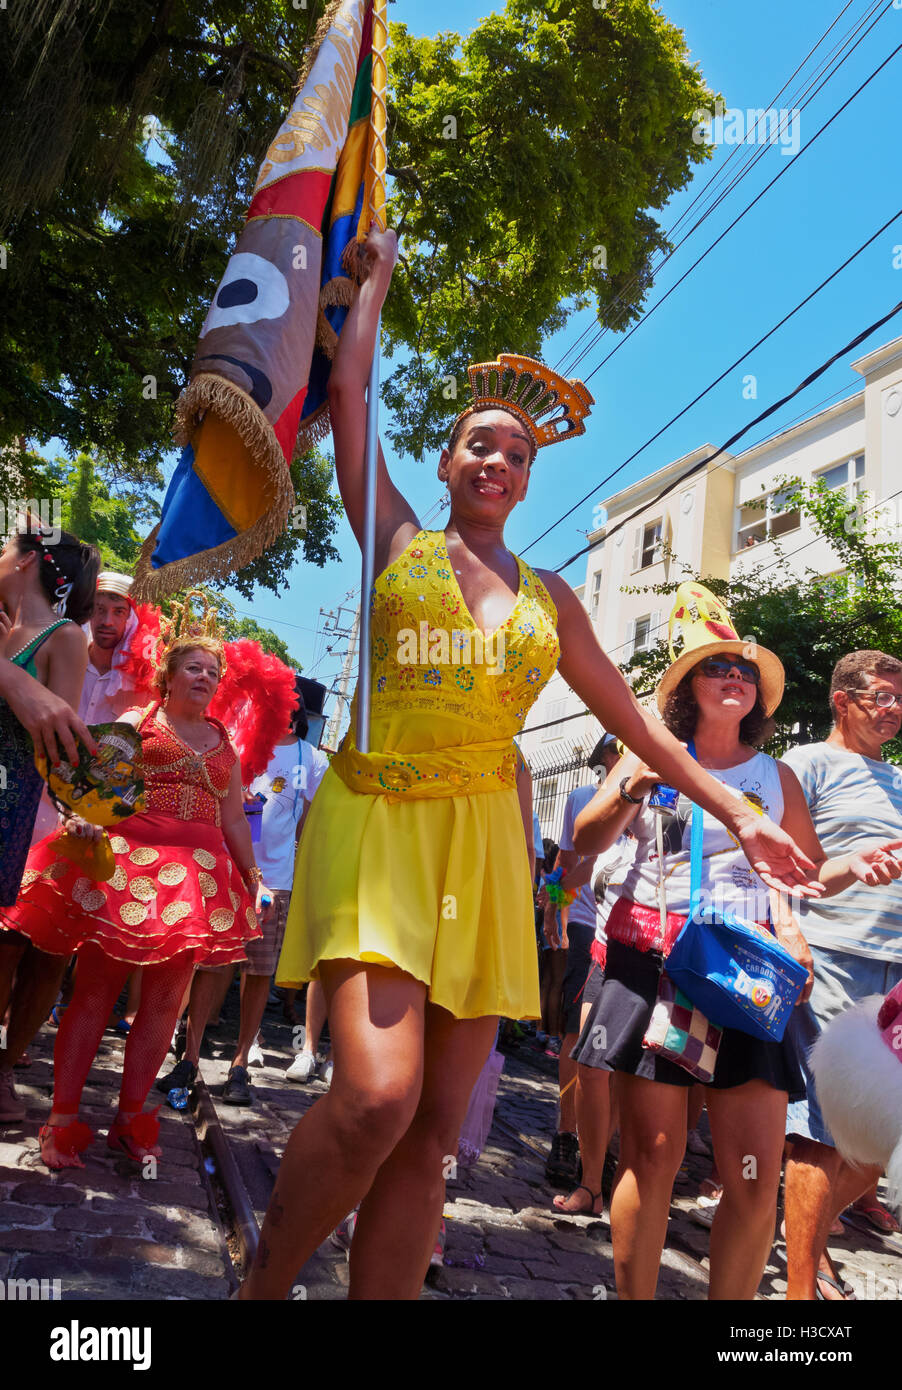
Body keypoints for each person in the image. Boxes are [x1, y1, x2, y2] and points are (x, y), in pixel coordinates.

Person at [238, 226, 833, 1304]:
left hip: (481, 855)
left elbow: (645, 733)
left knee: (429, 1141)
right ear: (447, 460)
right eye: (477, 442)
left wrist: (738, 816)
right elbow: (356, 391)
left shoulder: (554, 598)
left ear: (526, 478)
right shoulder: (397, 539)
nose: (494, 460)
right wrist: (366, 288)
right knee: (376, 1095)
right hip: (377, 827)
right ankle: (262, 1285)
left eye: (514, 451)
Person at [571, 584, 902, 1300]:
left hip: (745, 976)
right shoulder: (647, 752)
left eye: (747, 671)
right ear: (689, 685)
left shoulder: (773, 776)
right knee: (651, 1162)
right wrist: (636, 785)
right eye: (719, 666)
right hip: (654, 965)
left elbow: (809, 872)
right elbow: (585, 839)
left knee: (752, 1174)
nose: (737, 678)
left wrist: (856, 866)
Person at [0, 629, 270, 1166]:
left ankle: (129, 1121)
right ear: (169, 674)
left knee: (166, 1006)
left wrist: (254, 876)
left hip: (197, 884)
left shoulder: (224, 742)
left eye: (212, 672)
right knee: (96, 994)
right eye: (193, 667)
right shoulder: (138, 722)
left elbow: (235, 817)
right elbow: (88, 780)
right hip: (129, 874)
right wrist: (84, 820)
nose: (204, 678)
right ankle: (62, 1122)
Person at [782, 650, 902, 1300]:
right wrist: (851, 865)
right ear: (842, 701)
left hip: (898, 967)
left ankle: (810, 1235)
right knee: (824, 1132)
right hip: (832, 957)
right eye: (880, 696)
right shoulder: (806, 764)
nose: (894, 710)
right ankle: (801, 1293)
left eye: (899, 699)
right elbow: (789, 872)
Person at [0, 518, 100, 1121]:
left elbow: (60, 751)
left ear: (29, 559)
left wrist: (78, 814)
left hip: (16, 806)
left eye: (6, 543)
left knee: (22, 947)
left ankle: (4, 1068)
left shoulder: (63, 638)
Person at [219, 682, 328, 1102]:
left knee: (258, 970)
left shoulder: (312, 758)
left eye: (293, 702)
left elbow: (310, 819)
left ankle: (243, 1054)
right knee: (212, 964)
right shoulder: (243, 742)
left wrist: (299, 866)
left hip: (277, 878)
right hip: (229, 868)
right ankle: (184, 1044)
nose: (286, 706)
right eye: (278, 698)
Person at [544, 733, 618, 1192]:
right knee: (577, 1035)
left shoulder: (666, 789)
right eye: (617, 747)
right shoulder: (581, 797)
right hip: (588, 924)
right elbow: (563, 864)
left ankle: (605, 1146)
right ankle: (566, 1132)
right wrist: (555, 911)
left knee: (618, 1048)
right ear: (606, 757)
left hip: (634, 923)